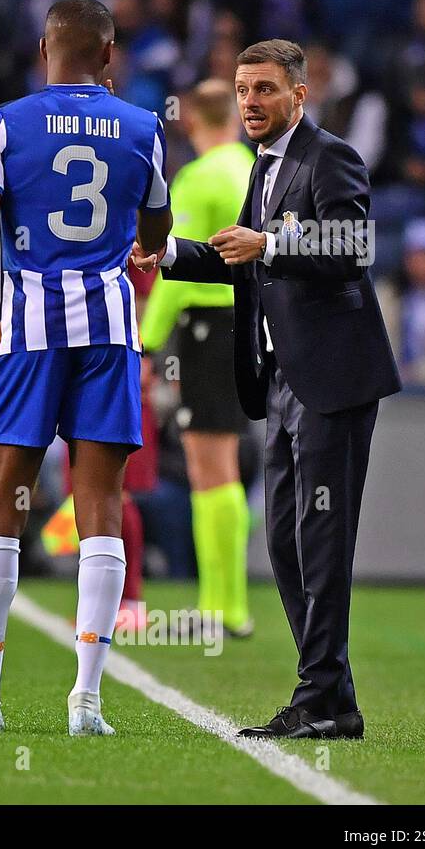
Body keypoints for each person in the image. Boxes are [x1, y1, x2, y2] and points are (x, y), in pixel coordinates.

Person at [132, 39, 402, 740]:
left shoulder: (328, 156)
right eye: (243, 90)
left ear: (299, 95)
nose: (251, 102)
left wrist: (272, 245)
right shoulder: (267, 166)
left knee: (321, 536)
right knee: (284, 541)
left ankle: (322, 697)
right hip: (280, 380)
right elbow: (241, 261)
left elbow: (354, 247)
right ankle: (330, 694)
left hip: (330, 378)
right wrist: (169, 257)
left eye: (265, 90)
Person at [0, 0, 172, 735]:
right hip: (108, 333)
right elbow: (156, 230)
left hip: (29, 333)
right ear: (108, 56)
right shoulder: (144, 128)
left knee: (1, 506)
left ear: (45, 49)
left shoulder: (2, 123)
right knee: (99, 507)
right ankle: (87, 701)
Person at [138, 79, 255, 637]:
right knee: (225, 463)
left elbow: (175, 269)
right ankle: (229, 602)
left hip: (209, 326)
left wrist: (146, 342)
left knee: (210, 465)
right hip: (249, 323)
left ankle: (220, 606)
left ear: (189, 120)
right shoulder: (250, 169)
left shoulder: (198, 176)